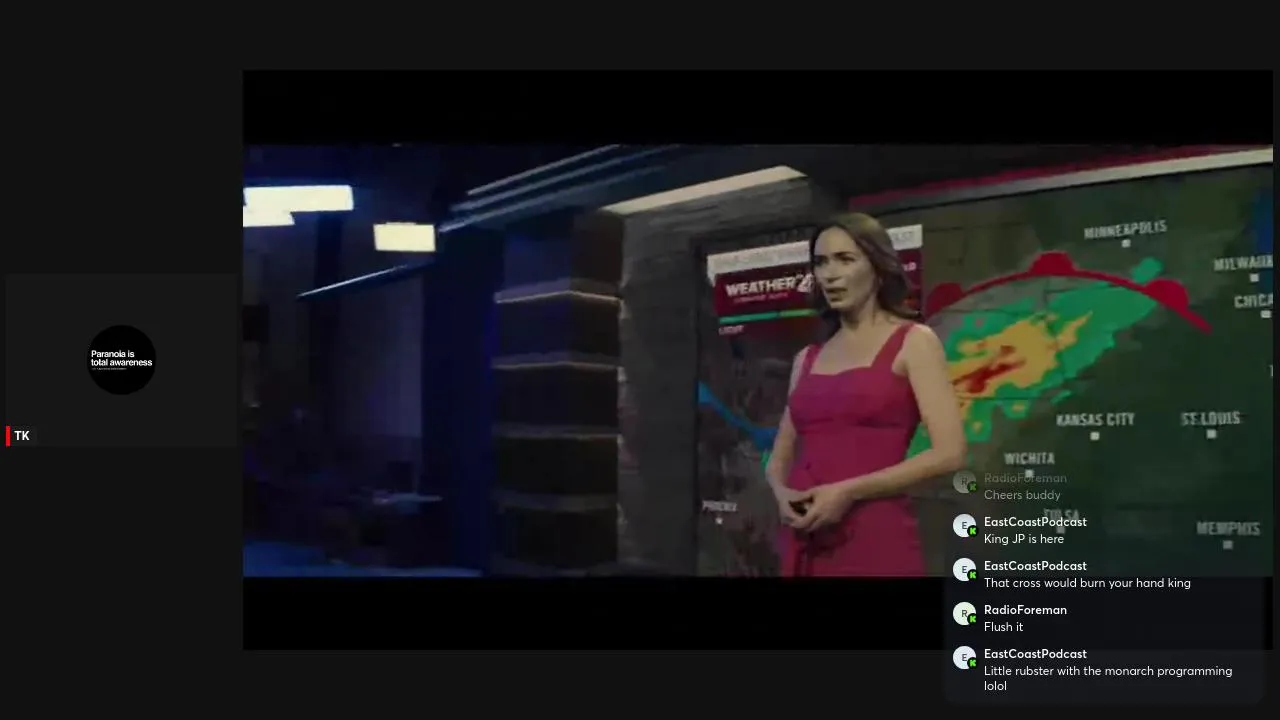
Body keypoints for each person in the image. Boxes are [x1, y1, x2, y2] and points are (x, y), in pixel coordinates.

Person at [765, 213, 966, 576]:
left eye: (845, 259)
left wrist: (848, 492)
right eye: (821, 262)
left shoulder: (914, 342)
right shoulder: (806, 359)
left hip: (875, 537)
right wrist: (782, 495)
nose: (830, 274)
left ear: (877, 268)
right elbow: (778, 460)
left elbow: (949, 453)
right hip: (806, 537)